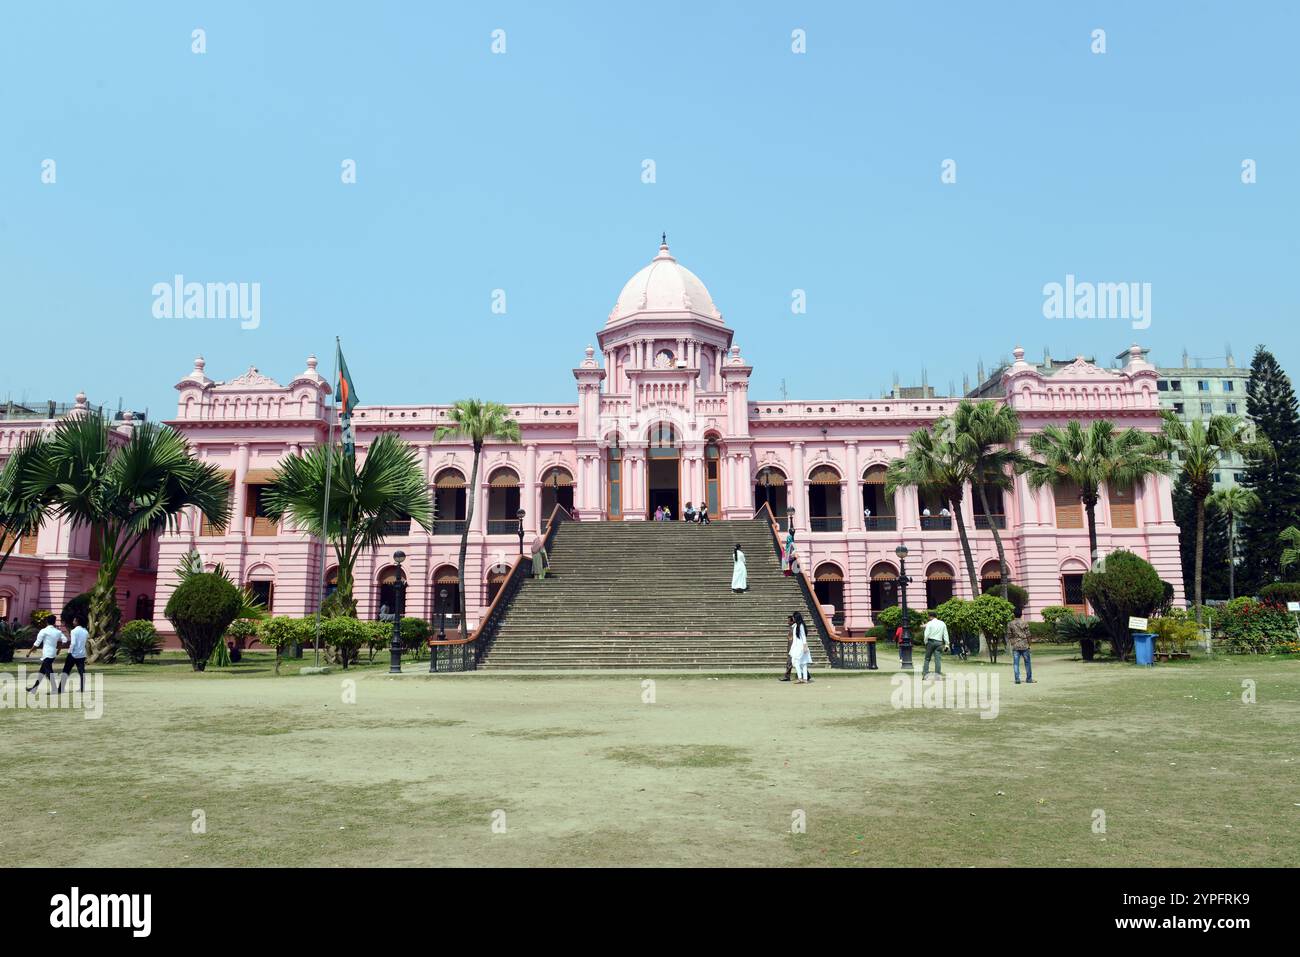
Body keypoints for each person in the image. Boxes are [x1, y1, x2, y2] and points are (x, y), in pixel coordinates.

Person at [26, 614, 65, 693]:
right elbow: (64, 640)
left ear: (47, 622)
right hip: (53, 654)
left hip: (47, 654)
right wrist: (59, 649)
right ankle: (34, 688)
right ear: (54, 622)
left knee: (48, 672)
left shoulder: (44, 631)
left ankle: (54, 689)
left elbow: (37, 643)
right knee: (42, 672)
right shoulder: (58, 631)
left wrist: (29, 652)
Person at [58, 615, 89, 693]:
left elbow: (73, 643)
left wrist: (69, 651)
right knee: (82, 671)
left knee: (66, 671)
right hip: (82, 654)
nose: (73, 622)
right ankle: (82, 688)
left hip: (73, 654)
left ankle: (60, 688)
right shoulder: (85, 631)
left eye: (74, 620)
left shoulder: (73, 631)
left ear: (77, 622)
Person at [921, 610, 949, 680]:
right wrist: (947, 644)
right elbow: (945, 634)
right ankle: (937, 676)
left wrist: (925, 642)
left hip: (931, 641)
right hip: (939, 642)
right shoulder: (942, 623)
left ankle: (925, 675)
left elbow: (926, 634)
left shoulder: (930, 623)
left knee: (927, 658)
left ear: (930, 617)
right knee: (938, 660)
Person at [1008, 616, 1033, 684]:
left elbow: (1009, 635)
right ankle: (1029, 679)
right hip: (1025, 645)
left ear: (1014, 615)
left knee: (1016, 663)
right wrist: (1030, 644)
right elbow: (1028, 634)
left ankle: (1017, 679)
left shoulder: (1010, 623)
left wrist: (1012, 643)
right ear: (1021, 614)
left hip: (1016, 645)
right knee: (1027, 663)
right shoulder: (1025, 623)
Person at [789, 611, 813, 683]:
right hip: (796, 645)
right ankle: (804, 678)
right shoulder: (796, 625)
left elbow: (803, 636)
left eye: (793, 616)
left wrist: (805, 646)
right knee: (801, 662)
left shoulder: (801, 625)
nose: (792, 618)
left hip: (800, 646)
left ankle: (801, 678)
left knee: (798, 662)